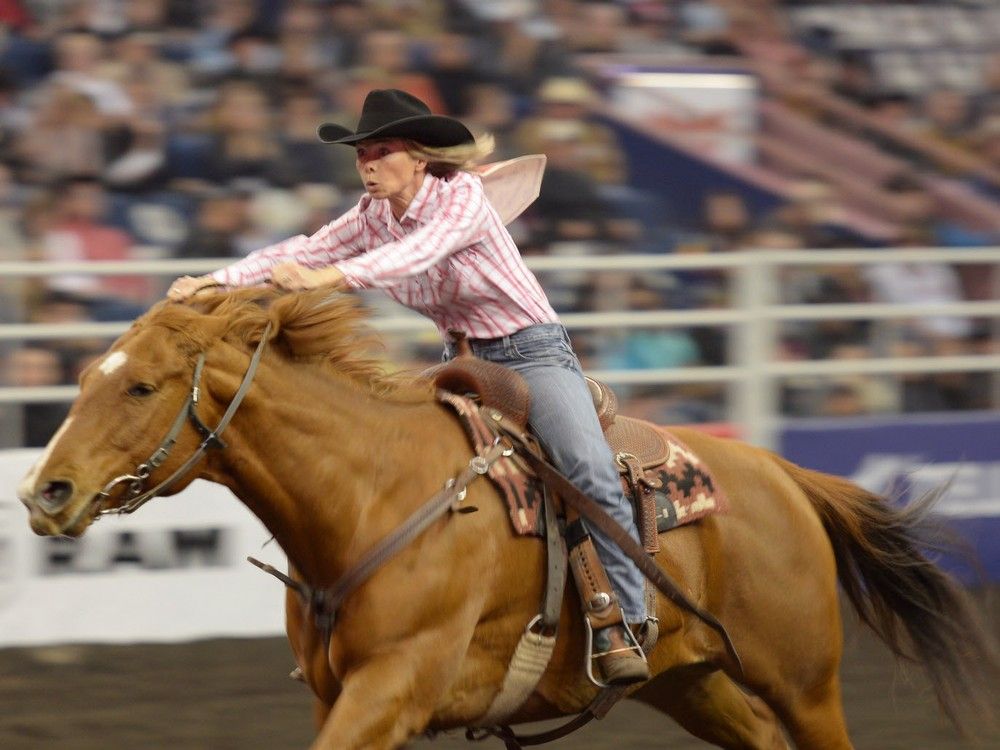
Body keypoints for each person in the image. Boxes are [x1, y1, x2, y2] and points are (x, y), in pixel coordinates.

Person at [168, 88, 650, 685]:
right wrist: (215, 282)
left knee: (587, 468)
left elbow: (413, 256)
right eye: (361, 153)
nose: (368, 163)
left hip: (532, 352)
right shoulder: (371, 217)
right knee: (387, 458)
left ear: (419, 158)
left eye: (383, 150)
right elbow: (300, 248)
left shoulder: (462, 199)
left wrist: (326, 278)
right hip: (462, 357)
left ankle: (630, 616)